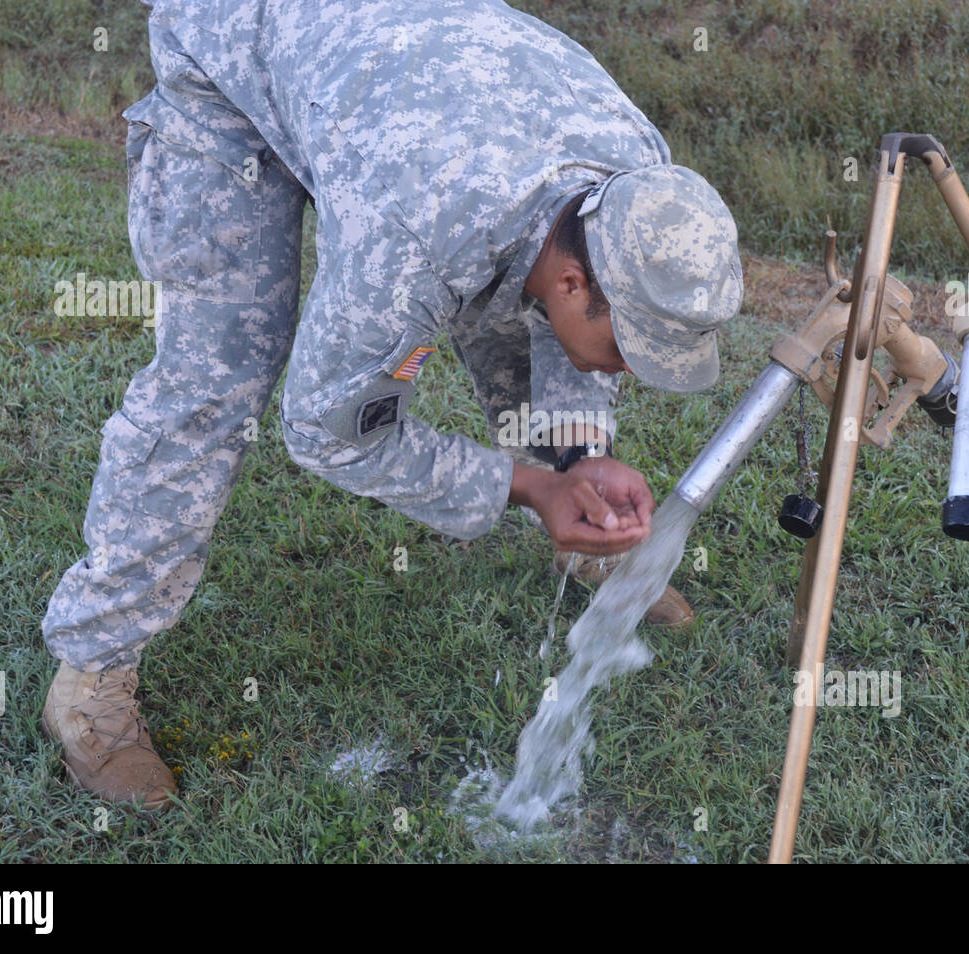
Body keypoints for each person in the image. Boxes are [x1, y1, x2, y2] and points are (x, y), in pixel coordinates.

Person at [40, 0, 744, 811]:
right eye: (633, 347)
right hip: (233, 59)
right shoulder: (410, 239)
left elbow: (560, 305)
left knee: (532, 317)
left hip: (390, 81)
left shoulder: (638, 181)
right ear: (577, 285)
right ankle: (90, 678)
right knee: (215, 380)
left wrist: (578, 462)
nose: (632, 368)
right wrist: (526, 487)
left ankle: (583, 533)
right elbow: (332, 431)